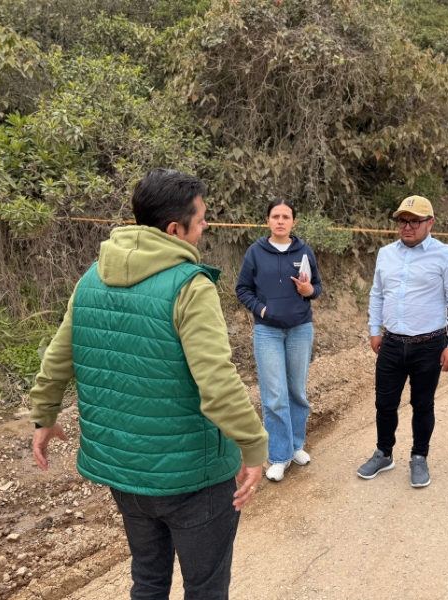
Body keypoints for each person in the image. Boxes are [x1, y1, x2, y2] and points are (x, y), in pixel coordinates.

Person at [29, 168, 268, 599]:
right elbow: (217, 383)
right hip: (191, 476)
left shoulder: (91, 277)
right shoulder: (190, 286)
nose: (207, 225)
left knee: (148, 579)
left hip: (125, 474)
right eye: (201, 219)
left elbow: (58, 357)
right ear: (175, 229)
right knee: (206, 586)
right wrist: (253, 446)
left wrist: (44, 415)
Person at [358, 195, 448, 488]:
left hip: (430, 345)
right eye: (402, 221)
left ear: (429, 223)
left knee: (422, 405)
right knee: (384, 403)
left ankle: (419, 457)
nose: (407, 227)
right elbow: (377, 293)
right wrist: (374, 329)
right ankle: (384, 453)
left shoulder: (447, 256)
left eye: (415, 221)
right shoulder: (385, 254)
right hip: (392, 343)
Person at [235, 199, 322, 483]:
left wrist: (310, 290)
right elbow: (243, 289)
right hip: (267, 332)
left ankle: (296, 445)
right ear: (268, 221)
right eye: (275, 216)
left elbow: (316, 287)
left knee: (297, 392)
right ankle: (279, 456)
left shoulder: (304, 250)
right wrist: (262, 310)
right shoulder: (256, 252)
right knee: (274, 396)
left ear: (293, 222)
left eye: (286, 217)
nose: (281, 221)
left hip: (300, 329)